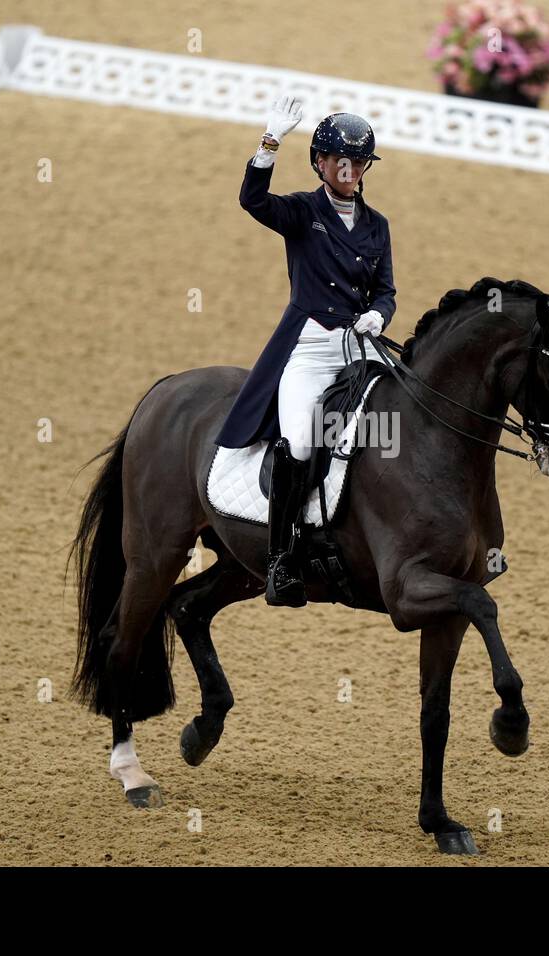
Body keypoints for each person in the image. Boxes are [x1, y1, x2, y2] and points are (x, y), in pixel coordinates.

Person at [214, 95, 397, 607]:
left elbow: (386, 289)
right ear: (320, 163)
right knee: (299, 440)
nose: (350, 169)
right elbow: (252, 201)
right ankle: (281, 557)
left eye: (359, 162)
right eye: (341, 160)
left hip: (361, 346)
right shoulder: (301, 212)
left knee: (399, 422)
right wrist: (269, 142)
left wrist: (379, 315)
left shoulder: (377, 225)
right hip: (311, 349)